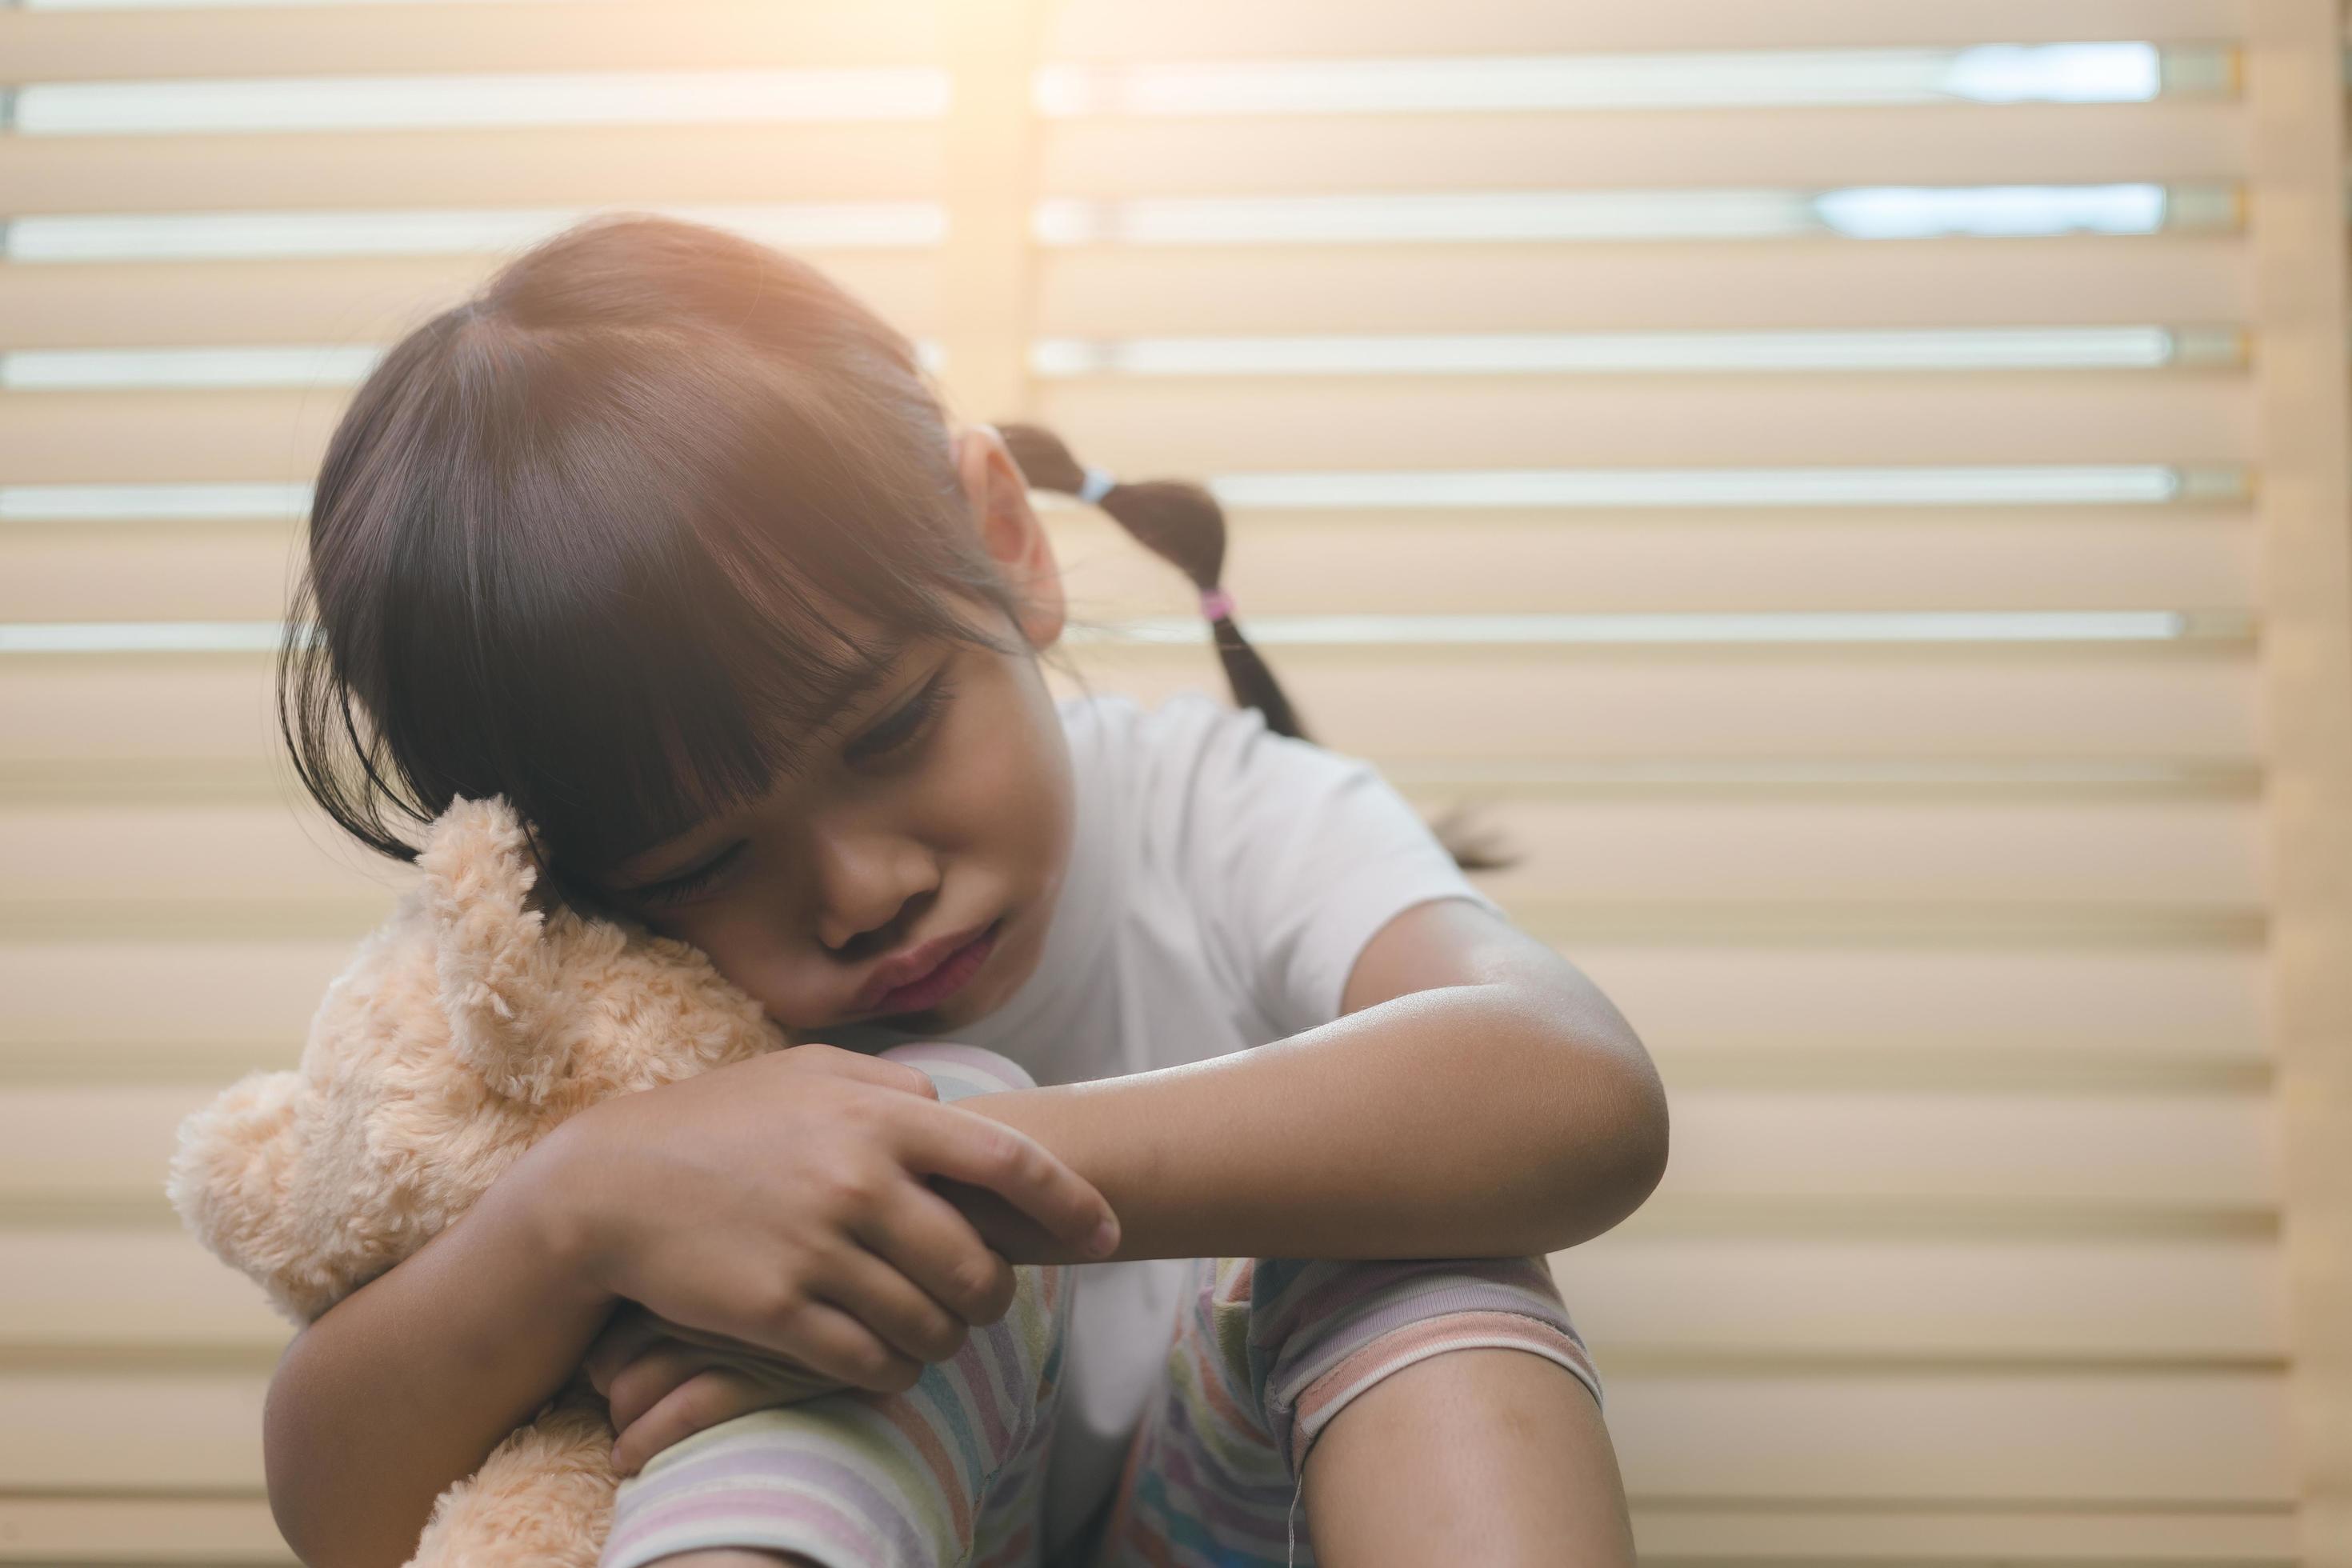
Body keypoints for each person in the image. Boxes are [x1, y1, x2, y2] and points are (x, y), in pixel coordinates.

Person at [261, 212, 1670, 1567]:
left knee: (1421, 1242)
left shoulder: (1212, 812)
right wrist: (580, 1210)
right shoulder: (578, 1013)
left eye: (889, 733)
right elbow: (340, 1508)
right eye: (701, 863)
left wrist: (948, 1171)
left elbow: (1575, 1085)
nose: (866, 890)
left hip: (1253, 1511)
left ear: (1009, 540)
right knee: (822, 1335)